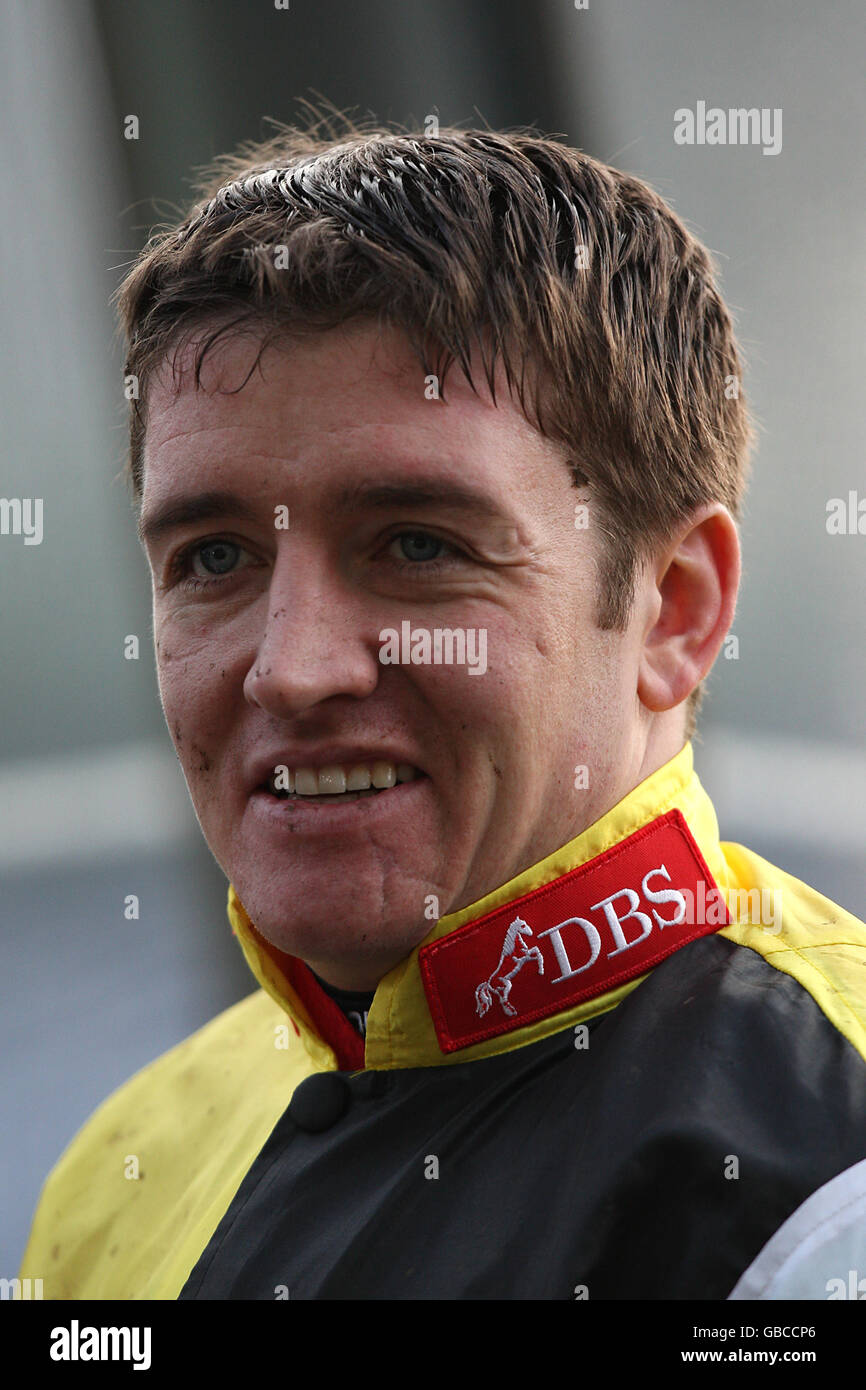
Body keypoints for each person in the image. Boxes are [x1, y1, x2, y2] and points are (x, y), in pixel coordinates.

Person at [19, 114, 866, 1301]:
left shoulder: (829, 1166)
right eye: (213, 560)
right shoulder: (130, 1159)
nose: (293, 669)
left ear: (672, 611)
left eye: (416, 543)